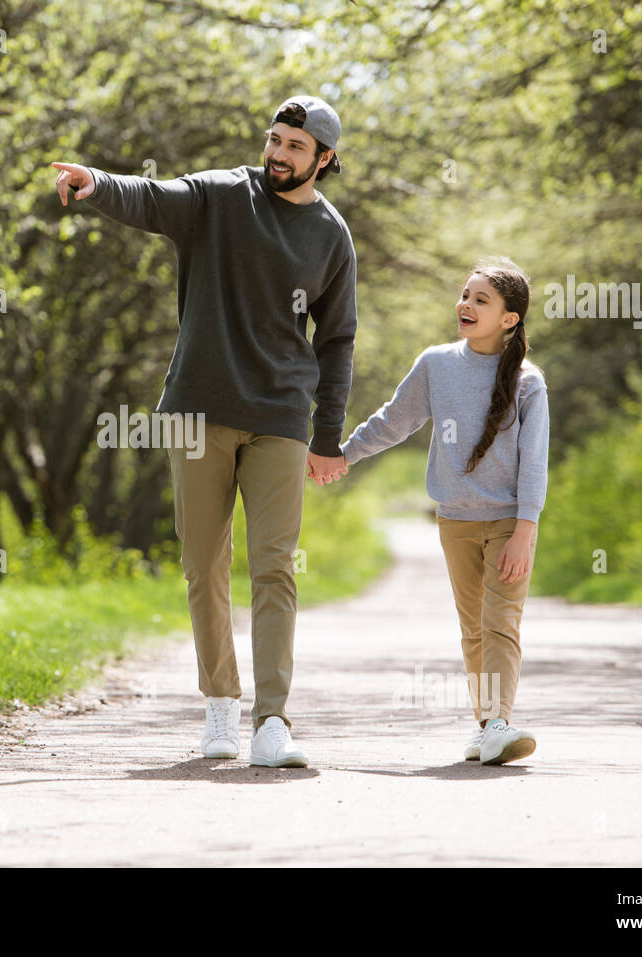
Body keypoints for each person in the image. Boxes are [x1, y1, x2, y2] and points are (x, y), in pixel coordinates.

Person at [51, 95, 358, 768]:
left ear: (324, 159)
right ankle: (220, 704)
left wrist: (328, 434)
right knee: (203, 565)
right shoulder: (222, 195)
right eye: (274, 140)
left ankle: (271, 720)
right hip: (197, 409)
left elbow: (336, 341)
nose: (277, 153)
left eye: (294, 147)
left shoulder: (331, 236)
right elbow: (153, 199)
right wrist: (97, 184)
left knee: (274, 568)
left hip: (279, 416)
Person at [336, 257, 549, 765]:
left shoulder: (527, 382)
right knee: (473, 627)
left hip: (508, 520)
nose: (466, 305)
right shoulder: (436, 364)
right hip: (455, 519)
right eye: (465, 295)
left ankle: (498, 720)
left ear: (509, 319)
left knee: (500, 622)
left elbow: (534, 462)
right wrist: (341, 455)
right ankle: (487, 726)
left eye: (481, 299)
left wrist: (525, 529)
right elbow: (394, 421)